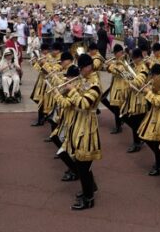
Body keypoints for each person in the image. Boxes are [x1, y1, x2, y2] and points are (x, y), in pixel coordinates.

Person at [61, 53, 101, 211]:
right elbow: (75, 94)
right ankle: (89, 189)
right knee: (80, 162)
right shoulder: (85, 79)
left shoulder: (95, 84)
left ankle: (89, 198)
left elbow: (84, 103)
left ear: (88, 67)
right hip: (79, 122)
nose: (80, 71)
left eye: (81, 68)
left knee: (83, 163)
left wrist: (71, 90)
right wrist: (66, 86)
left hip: (87, 125)